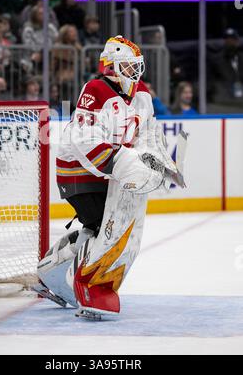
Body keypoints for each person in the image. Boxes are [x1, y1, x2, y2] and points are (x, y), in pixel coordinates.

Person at [36, 35, 183, 318]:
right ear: (112, 66)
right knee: (105, 227)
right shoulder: (96, 89)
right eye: (128, 66)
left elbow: (149, 133)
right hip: (79, 173)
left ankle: (50, 274)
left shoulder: (142, 94)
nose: (135, 72)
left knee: (106, 228)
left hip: (111, 176)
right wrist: (123, 162)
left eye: (137, 66)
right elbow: (85, 138)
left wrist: (158, 162)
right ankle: (84, 284)